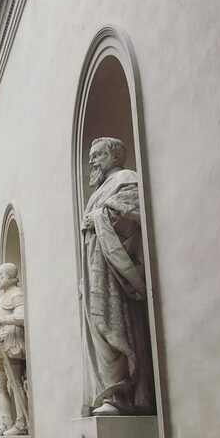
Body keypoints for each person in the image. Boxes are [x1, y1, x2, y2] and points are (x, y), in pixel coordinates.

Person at [80, 137, 154, 415]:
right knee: (99, 328)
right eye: (90, 156)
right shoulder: (99, 190)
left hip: (112, 271)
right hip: (95, 270)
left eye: (97, 154)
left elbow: (131, 214)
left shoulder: (125, 178)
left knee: (114, 325)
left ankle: (122, 395)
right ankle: (110, 394)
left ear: (114, 156)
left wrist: (98, 218)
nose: (92, 161)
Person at [0, 263, 28, 435]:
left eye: (1, 275)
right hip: (1, 343)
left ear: (10, 276)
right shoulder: (3, 297)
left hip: (11, 341)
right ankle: (6, 422)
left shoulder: (17, 294)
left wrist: (1, 321)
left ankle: (21, 424)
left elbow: (22, 315)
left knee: (14, 382)